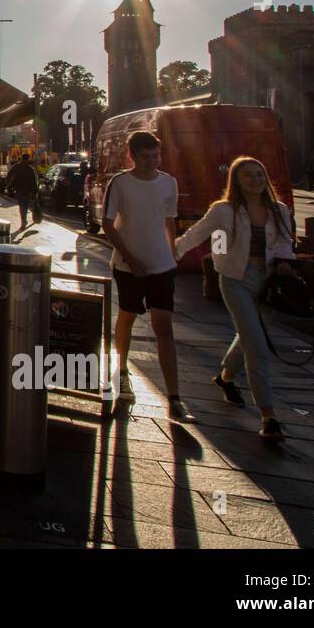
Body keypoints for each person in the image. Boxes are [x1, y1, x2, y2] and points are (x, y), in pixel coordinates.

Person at [174, 156, 296, 442]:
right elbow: (196, 235)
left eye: (259, 174)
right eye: (248, 176)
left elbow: (285, 243)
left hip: (269, 283)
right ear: (236, 182)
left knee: (249, 336)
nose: (255, 180)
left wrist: (285, 263)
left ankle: (225, 377)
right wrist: (168, 255)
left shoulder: (278, 210)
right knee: (257, 346)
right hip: (235, 280)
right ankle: (269, 417)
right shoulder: (224, 210)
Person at [102, 131, 195, 422]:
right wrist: (130, 258)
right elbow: (107, 223)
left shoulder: (169, 183)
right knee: (127, 316)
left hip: (161, 265)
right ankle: (123, 371)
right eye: (146, 156)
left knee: (163, 327)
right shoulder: (120, 183)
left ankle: (175, 397)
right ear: (132, 156)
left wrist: (173, 253)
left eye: (157, 155)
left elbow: (169, 221)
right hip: (128, 266)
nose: (153, 161)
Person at [3, 153, 38, 230]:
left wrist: (9, 185)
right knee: (24, 206)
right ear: (28, 159)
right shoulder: (30, 169)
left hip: (18, 189)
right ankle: (24, 222)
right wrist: (35, 191)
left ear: (21, 158)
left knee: (22, 206)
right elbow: (33, 181)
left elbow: (9, 175)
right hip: (26, 190)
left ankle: (23, 222)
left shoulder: (17, 166)